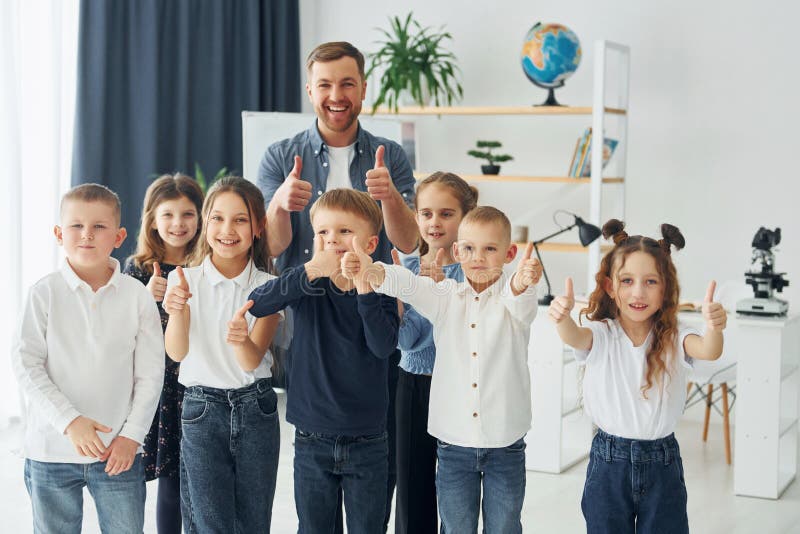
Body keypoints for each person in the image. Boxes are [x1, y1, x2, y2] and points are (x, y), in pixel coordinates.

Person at [257, 40, 418, 529]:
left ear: (363, 88)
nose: (336, 94)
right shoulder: (280, 156)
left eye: (347, 83)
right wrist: (281, 203)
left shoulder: (391, 157)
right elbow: (270, 248)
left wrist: (391, 198)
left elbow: (407, 242)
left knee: (372, 471)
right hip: (311, 323)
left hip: (370, 310)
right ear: (310, 89)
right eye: (325, 84)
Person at [342, 205, 543, 534]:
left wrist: (521, 283)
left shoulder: (513, 301)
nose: (478, 257)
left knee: (505, 526)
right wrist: (373, 271)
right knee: (455, 526)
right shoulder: (445, 296)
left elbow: (522, 303)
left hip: (505, 445)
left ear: (509, 253)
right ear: (457, 251)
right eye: (469, 248)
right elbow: (408, 285)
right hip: (453, 446)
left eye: (490, 249)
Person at [547, 219, 727, 534]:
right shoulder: (601, 333)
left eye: (651, 282)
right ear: (610, 287)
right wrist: (562, 317)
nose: (638, 292)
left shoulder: (675, 335)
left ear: (666, 288)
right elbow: (574, 337)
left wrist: (714, 326)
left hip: (663, 462)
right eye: (627, 280)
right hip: (608, 462)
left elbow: (709, 351)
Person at [12, 183, 164, 534]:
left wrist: (132, 437)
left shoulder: (137, 297)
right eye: (76, 226)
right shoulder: (44, 293)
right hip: (50, 450)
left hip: (119, 453)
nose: (86, 235)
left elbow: (151, 374)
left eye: (99, 226)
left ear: (119, 236)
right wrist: (70, 421)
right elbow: (26, 363)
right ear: (58, 234)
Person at [248, 189, 399, 534]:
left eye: (345, 232)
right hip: (312, 436)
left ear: (370, 244)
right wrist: (310, 270)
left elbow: (383, 347)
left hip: (368, 440)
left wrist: (364, 289)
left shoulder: (382, 286)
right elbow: (257, 304)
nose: (333, 240)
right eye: (323, 232)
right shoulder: (306, 284)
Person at [163, 176, 282, 532]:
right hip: (201, 410)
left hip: (255, 409)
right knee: (208, 521)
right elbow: (177, 351)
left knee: (253, 521)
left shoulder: (268, 288)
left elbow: (250, 360)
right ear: (204, 223)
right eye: (217, 218)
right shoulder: (183, 279)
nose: (227, 229)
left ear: (258, 227)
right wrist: (178, 311)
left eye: (240, 219)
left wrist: (241, 339)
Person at [392, 172, 478, 534]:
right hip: (413, 386)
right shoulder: (405, 268)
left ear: (465, 217)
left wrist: (431, 294)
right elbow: (408, 342)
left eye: (446, 214)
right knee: (413, 485)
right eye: (426, 213)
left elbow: (461, 339)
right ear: (415, 216)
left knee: (457, 490)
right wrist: (425, 288)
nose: (434, 223)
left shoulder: (475, 273)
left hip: (458, 387)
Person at [123, 173, 204, 534]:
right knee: (170, 483)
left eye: (187, 214)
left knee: (198, 480)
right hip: (160, 388)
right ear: (152, 220)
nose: (177, 224)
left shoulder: (207, 264)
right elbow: (122, 335)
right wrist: (148, 299)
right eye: (168, 214)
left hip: (200, 382)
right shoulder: (137, 270)